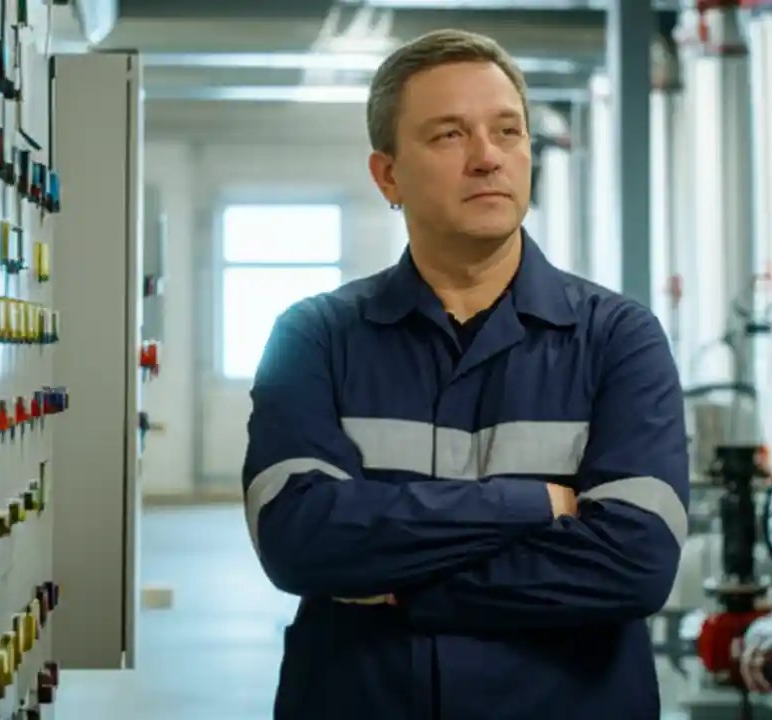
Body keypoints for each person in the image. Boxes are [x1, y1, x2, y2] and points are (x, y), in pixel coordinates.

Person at [241, 28, 690, 720]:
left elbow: (636, 565)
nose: (487, 158)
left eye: (508, 131)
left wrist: (403, 589)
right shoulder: (315, 337)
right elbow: (301, 542)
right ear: (387, 174)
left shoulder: (617, 338)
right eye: (449, 135)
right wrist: (536, 504)